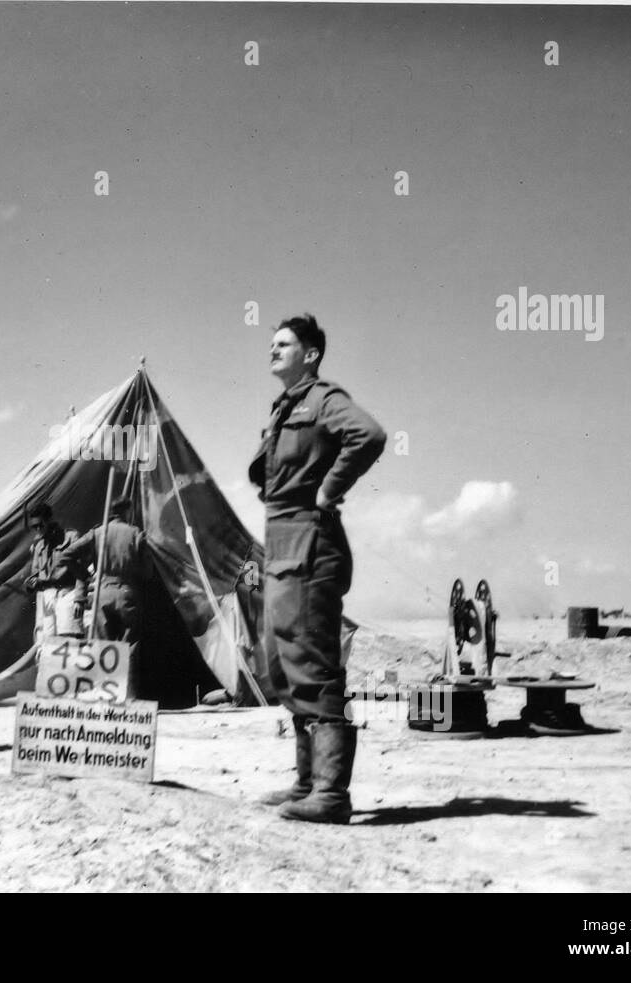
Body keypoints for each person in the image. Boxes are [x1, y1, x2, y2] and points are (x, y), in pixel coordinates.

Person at [249, 313, 386, 824]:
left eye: (283, 343)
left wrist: (330, 490)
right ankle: (307, 783)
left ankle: (331, 793)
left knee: (314, 662)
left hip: (310, 541)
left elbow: (368, 435)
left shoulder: (323, 398)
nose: (273, 350)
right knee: (284, 663)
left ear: (310, 354)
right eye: (271, 343)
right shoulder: (282, 407)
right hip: (281, 541)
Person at [58, 495, 152, 646]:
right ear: (128, 511)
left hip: (102, 595)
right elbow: (147, 573)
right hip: (127, 595)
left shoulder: (97, 533)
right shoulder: (136, 534)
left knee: (105, 650)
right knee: (129, 650)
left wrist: (85, 575)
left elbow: (66, 555)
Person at [23, 503, 85, 640]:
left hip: (68, 595)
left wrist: (79, 599)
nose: (38, 529)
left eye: (41, 524)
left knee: (70, 642)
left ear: (50, 520)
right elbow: (35, 575)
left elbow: (81, 571)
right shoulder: (39, 547)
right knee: (47, 644)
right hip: (48, 601)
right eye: (34, 527)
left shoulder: (71, 538)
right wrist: (30, 584)